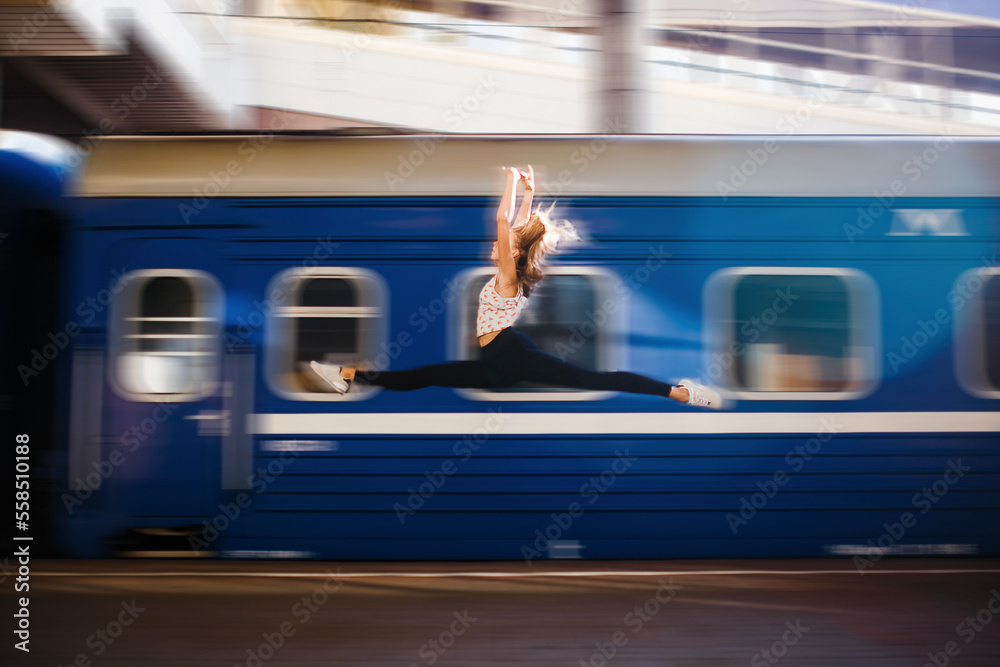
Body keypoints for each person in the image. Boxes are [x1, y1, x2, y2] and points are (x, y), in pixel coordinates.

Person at [310, 165, 722, 408]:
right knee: (424, 375)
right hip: (496, 360)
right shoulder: (511, 273)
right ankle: (344, 373)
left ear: (513, 255)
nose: (493, 246)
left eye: (500, 247)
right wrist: (530, 192)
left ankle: (683, 394)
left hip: (510, 354)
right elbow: (515, 230)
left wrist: (509, 178)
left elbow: (504, 225)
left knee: (598, 379)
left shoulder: (509, 276)